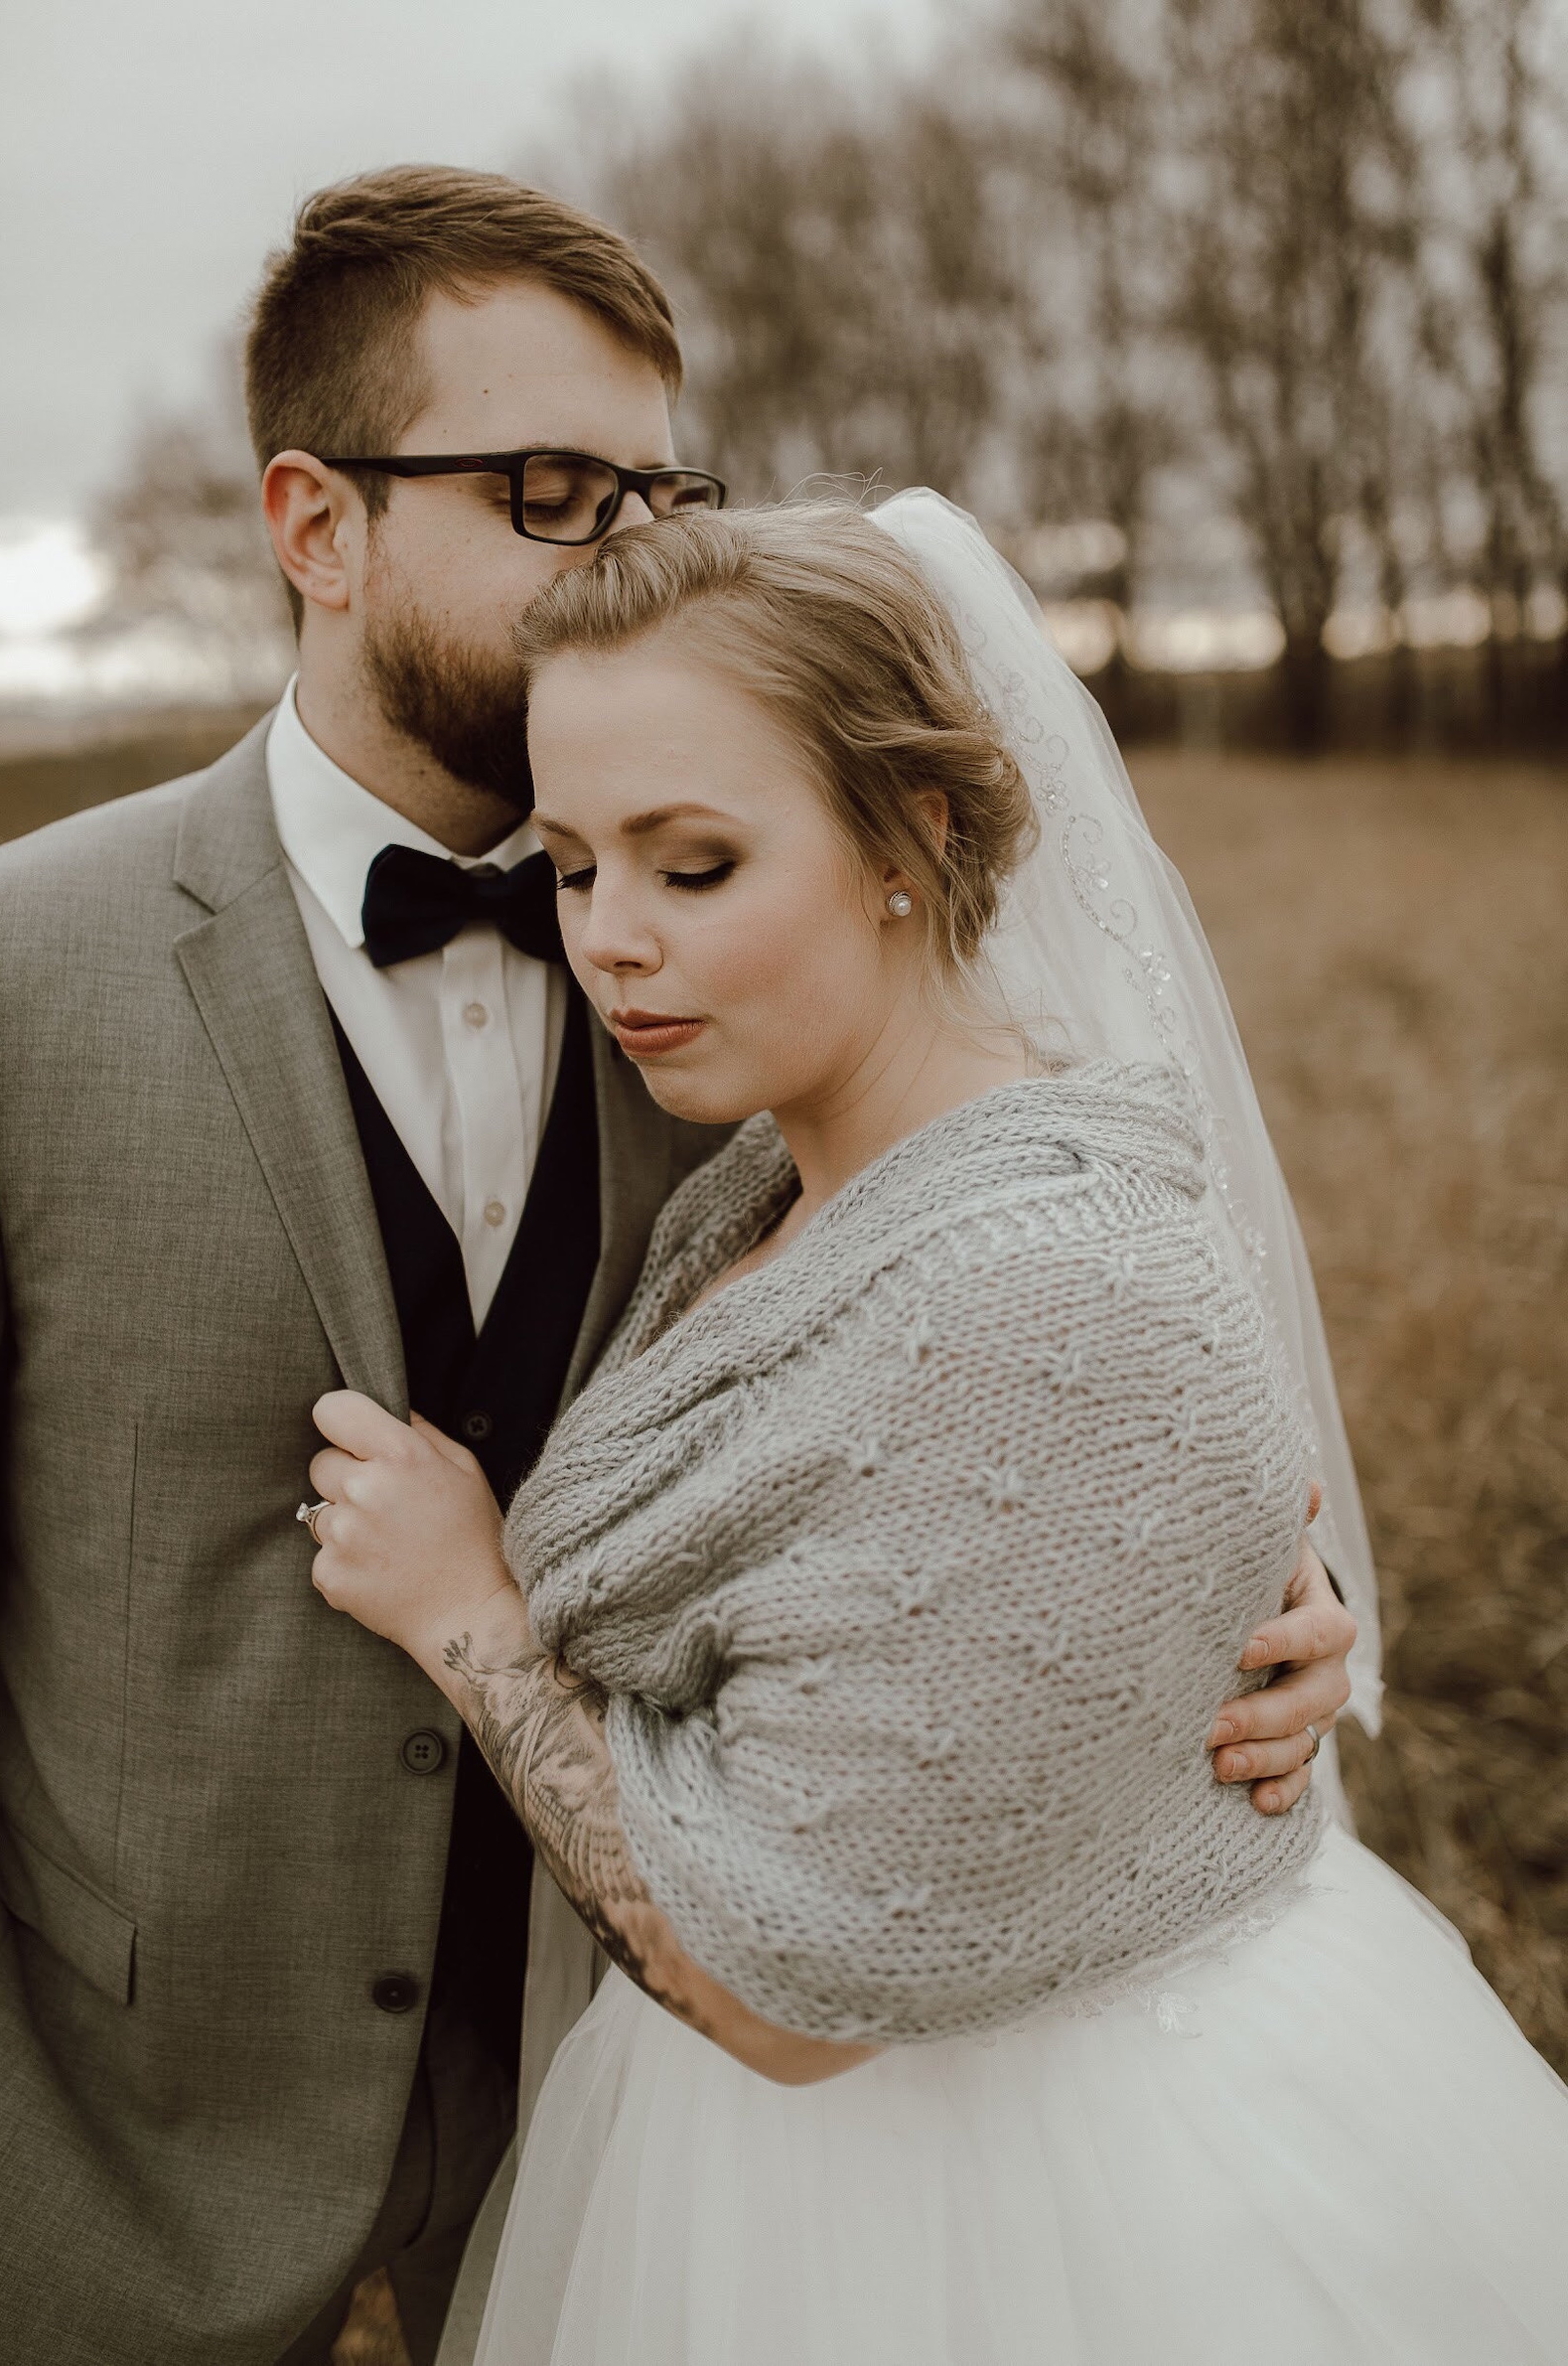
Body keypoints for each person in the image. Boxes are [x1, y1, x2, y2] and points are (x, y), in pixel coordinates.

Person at [0, 173, 1351, 2366]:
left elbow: (987, 1344)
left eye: (654, 488)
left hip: (637, 2136)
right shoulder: (19, 973)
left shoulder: (759, 969)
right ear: (316, 524)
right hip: (122, 2146)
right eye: (548, 491)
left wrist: (1201, 1599)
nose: (624, 548)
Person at [309, 496, 1568, 2365]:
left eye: (696, 865)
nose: (609, 942)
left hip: (1025, 2196)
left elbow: (793, 1999)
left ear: (918, 839)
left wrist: (467, 1611)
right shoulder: (765, 1188)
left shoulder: (1039, 1282)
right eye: (572, 867)